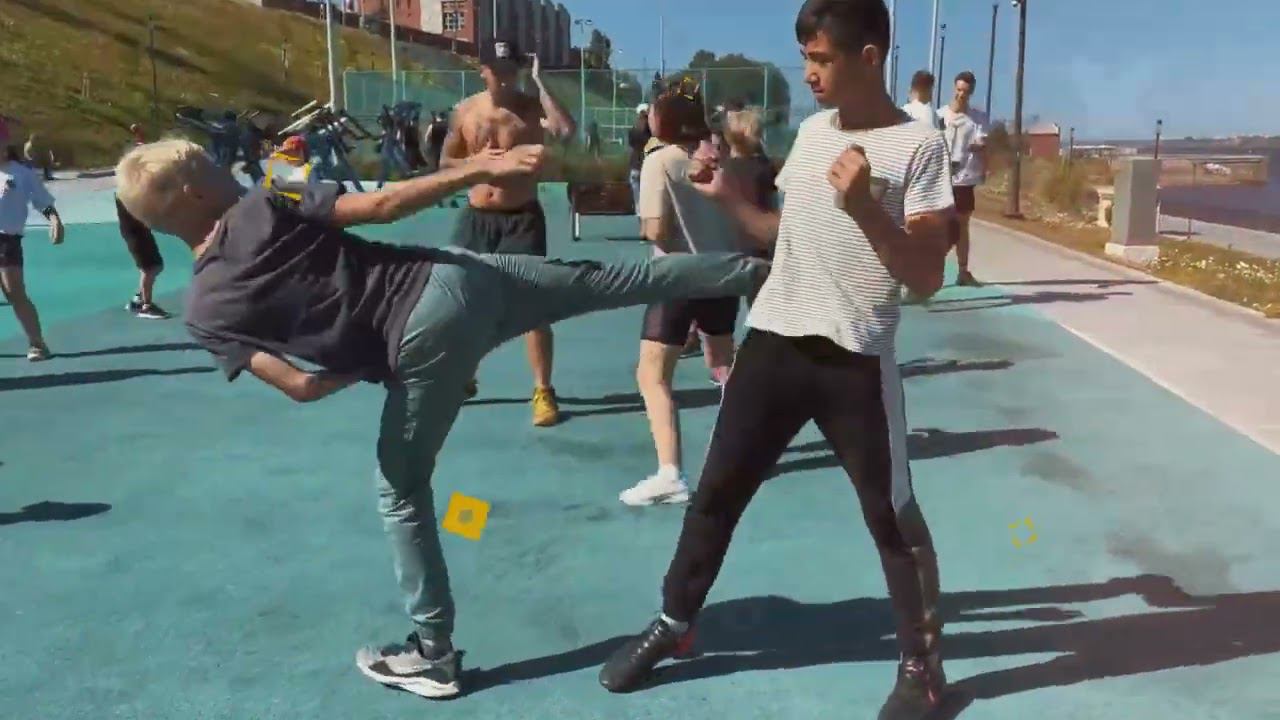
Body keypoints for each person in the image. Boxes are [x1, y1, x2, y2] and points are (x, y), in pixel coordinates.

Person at [113, 137, 767, 702]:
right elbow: (382, 206)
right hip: (457, 279)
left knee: (400, 492)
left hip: (421, 337)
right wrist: (478, 167)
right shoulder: (266, 198)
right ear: (196, 192)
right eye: (214, 166)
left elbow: (302, 387)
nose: (230, 168)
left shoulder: (203, 311)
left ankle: (434, 652)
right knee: (608, 279)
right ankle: (764, 273)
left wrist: (393, 361)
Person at [599, 1, 955, 718]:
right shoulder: (816, 133)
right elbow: (782, 233)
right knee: (715, 493)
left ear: (869, 57)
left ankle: (922, 667)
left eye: (821, 59)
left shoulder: (918, 147)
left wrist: (866, 206)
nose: (809, 74)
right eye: (805, 59)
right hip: (773, 340)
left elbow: (925, 276)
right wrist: (730, 198)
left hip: (854, 357)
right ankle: (674, 621)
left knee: (891, 517)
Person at [440, 42, 577, 426]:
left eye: (510, 70)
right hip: (477, 218)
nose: (504, 78)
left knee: (531, 307)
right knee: (459, 302)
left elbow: (566, 131)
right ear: (482, 70)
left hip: (521, 219)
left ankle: (543, 390)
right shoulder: (465, 112)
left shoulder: (532, 109)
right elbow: (445, 161)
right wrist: (476, 161)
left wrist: (540, 80)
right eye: (497, 70)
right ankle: (463, 376)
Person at [623, 83, 743, 507]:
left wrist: (646, 225)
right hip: (724, 273)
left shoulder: (660, 160)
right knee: (723, 365)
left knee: (652, 374)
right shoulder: (719, 158)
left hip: (679, 276)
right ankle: (743, 451)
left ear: (665, 121)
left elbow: (656, 230)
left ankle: (669, 473)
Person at [1, 144, 65, 361]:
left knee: (14, 292)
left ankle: (37, 343)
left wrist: (54, 219)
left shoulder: (21, 173)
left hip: (7, 240)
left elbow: (41, 200)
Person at [938, 70, 987, 287]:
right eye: (958, 90)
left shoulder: (978, 118)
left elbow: (981, 142)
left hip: (964, 178)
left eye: (965, 91)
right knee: (940, 226)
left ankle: (963, 271)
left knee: (962, 225)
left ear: (971, 92)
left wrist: (977, 149)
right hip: (941, 178)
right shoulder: (941, 115)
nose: (961, 95)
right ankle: (928, 268)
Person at [627, 104, 652, 208]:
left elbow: (631, 146)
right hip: (648, 165)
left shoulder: (633, 130)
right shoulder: (652, 132)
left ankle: (639, 212)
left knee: (638, 201)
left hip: (635, 165)